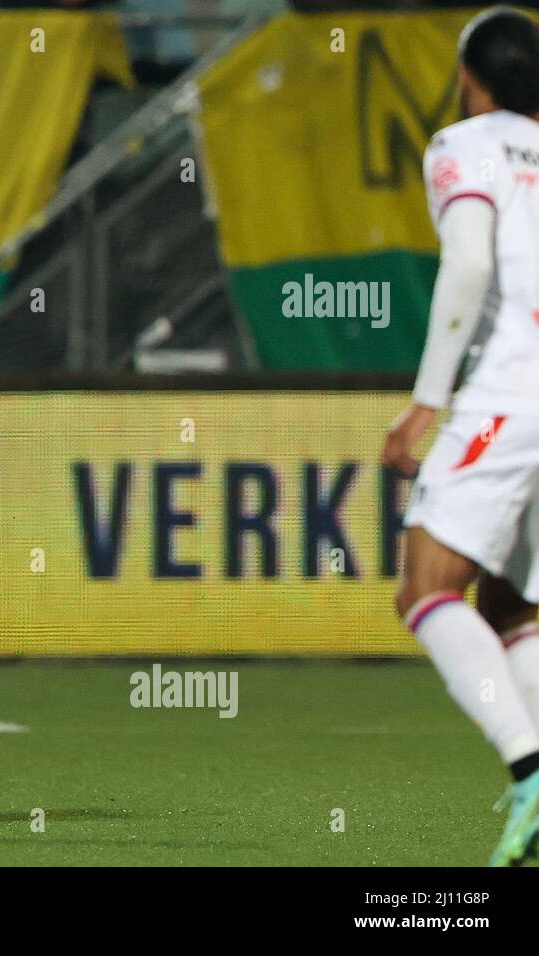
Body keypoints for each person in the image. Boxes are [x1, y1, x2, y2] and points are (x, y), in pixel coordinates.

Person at [382, 6, 539, 865]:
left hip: (514, 388)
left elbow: (472, 263)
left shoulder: (466, 143)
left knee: (426, 587)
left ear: (470, 77)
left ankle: (530, 769)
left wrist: (426, 401)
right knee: (513, 603)